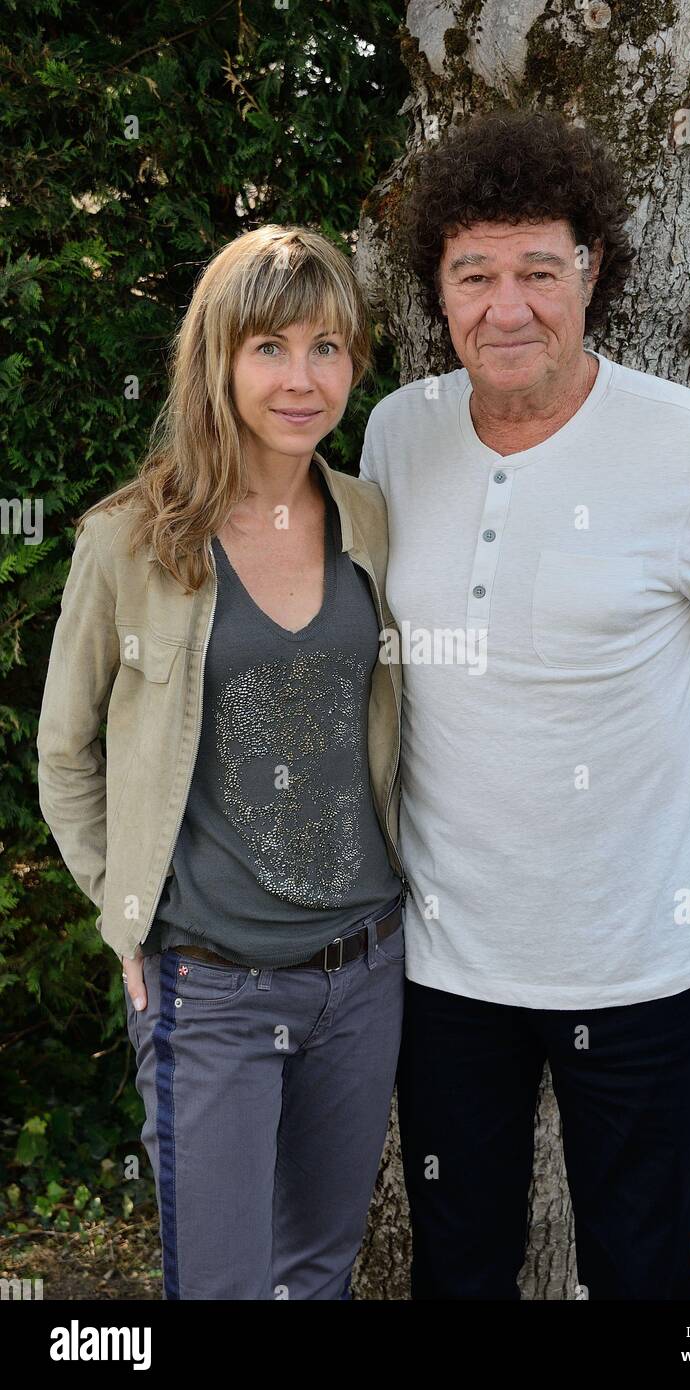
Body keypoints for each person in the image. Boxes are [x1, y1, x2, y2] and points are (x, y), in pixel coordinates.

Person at [359, 108, 690, 1300]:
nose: (506, 305)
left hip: (629, 963)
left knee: (639, 1273)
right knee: (456, 1265)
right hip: (444, 962)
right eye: (475, 272)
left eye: (540, 269)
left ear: (593, 273)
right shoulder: (394, 433)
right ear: (439, 287)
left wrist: (675, 766)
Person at [37, 225, 407, 1300]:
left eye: (328, 347)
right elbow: (65, 751)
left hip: (363, 968)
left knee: (319, 1271)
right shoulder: (129, 540)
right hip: (212, 988)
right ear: (218, 358)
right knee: (224, 1287)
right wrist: (123, 907)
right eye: (271, 348)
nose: (303, 378)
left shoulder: (368, 517)